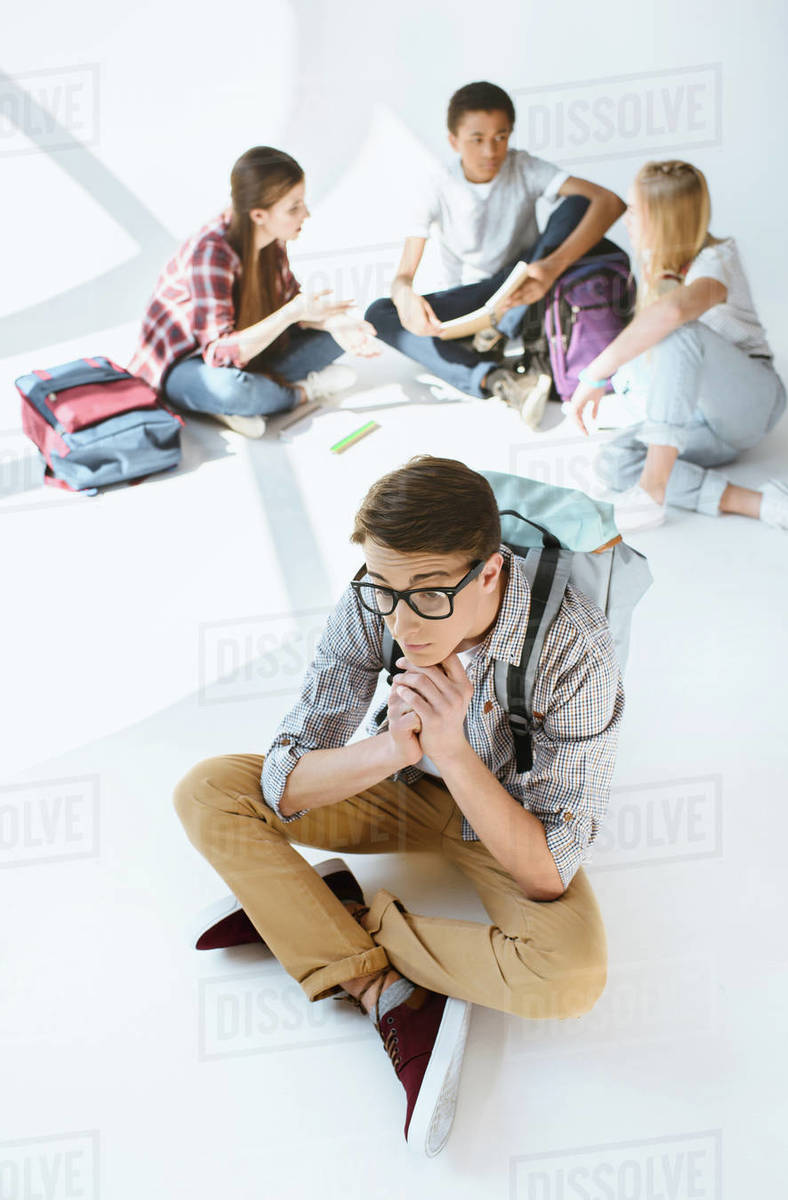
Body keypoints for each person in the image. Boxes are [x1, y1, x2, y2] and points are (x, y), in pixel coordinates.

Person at [174, 456, 623, 1155]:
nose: (405, 620)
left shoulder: (576, 646)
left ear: (490, 572)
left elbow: (544, 872)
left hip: (502, 821)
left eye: (429, 593)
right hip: (399, 786)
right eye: (386, 588)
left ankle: (324, 917)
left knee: (567, 977)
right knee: (209, 791)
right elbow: (283, 782)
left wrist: (452, 749)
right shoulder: (373, 601)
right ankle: (381, 987)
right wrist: (393, 750)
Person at [365, 81, 626, 429]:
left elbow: (610, 202)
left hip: (527, 285)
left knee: (577, 203)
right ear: (453, 141)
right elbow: (403, 276)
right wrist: (406, 297)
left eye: (501, 137)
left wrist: (551, 268)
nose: (491, 150)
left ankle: (507, 329)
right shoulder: (436, 184)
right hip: (474, 301)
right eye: (477, 139)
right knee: (379, 313)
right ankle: (497, 379)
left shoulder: (524, 167)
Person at [566, 159, 788, 533]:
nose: (625, 219)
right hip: (698, 425)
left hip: (750, 405)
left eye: (633, 210)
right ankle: (762, 504)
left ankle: (652, 490)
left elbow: (674, 312)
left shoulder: (717, 261)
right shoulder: (653, 264)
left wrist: (594, 376)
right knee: (612, 462)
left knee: (677, 329)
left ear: (662, 217)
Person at [128, 146, 378, 438]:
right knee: (230, 390)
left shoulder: (273, 236)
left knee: (343, 334)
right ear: (259, 214)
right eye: (294, 207)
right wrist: (294, 312)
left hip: (250, 351)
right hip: (188, 364)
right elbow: (219, 353)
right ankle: (302, 392)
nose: (306, 214)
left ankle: (251, 402)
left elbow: (291, 304)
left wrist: (334, 323)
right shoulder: (210, 254)